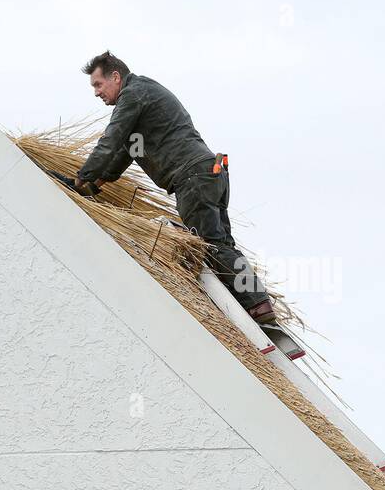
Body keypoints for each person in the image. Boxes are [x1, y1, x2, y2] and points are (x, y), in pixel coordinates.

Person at [68, 51, 274, 322]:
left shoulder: (133, 94)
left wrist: (81, 178)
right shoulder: (143, 97)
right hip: (209, 171)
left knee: (208, 244)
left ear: (115, 77)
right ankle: (254, 304)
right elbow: (123, 152)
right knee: (221, 242)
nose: (96, 93)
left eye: (98, 85)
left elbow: (111, 139)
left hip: (192, 177)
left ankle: (258, 305)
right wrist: (96, 183)